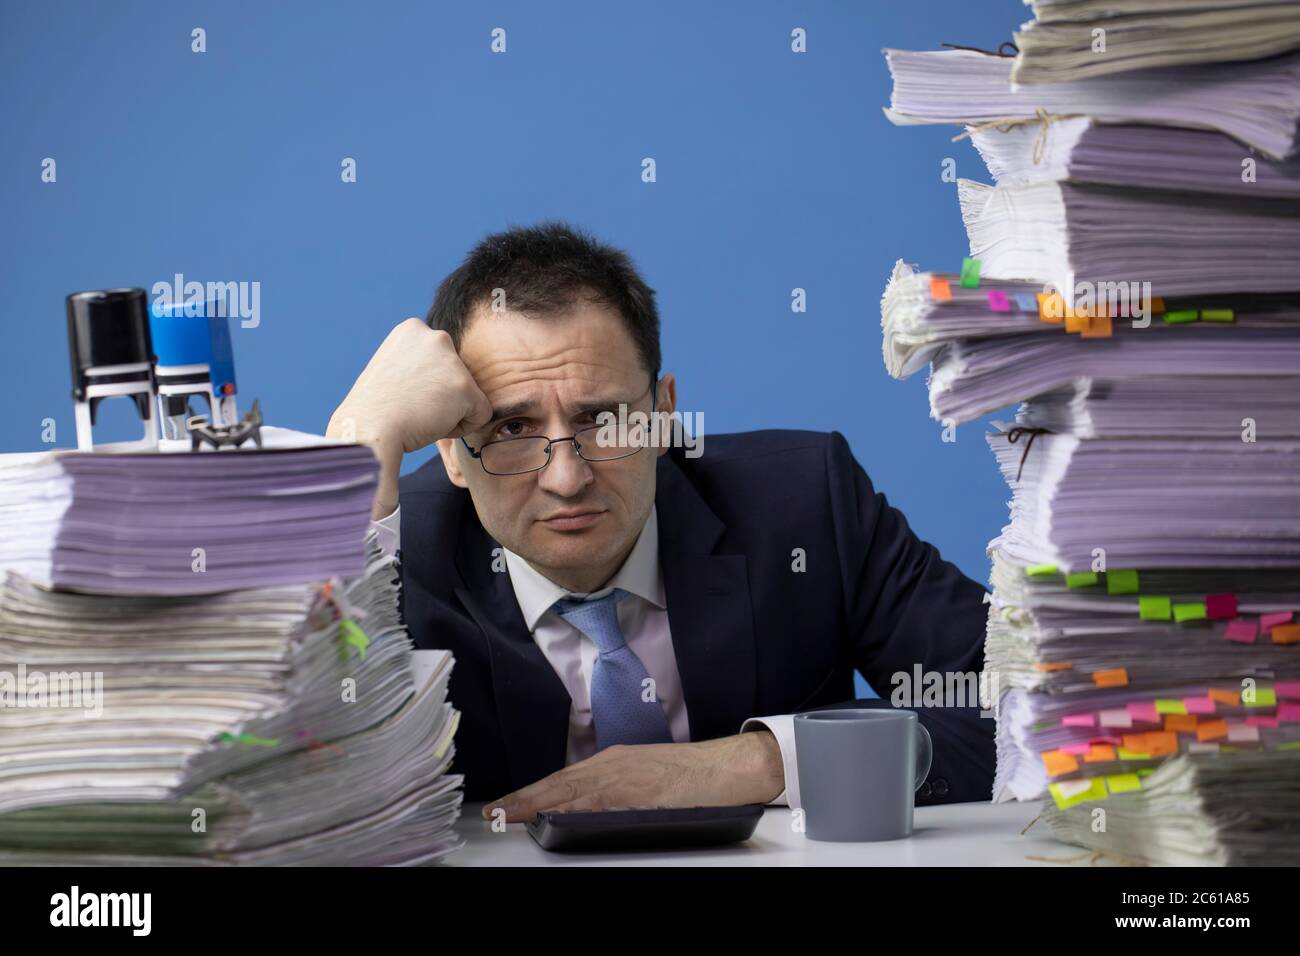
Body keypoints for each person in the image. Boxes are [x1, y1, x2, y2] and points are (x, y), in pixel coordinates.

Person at [327, 221, 994, 822]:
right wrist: (355, 452)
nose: (567, 478)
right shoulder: (393, 550)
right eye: (512, 428)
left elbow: (1037, 710)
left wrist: (754, 763)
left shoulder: (804, 505)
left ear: (664, 413)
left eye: (602, 419)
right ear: (451, 450)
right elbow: (272, 766)